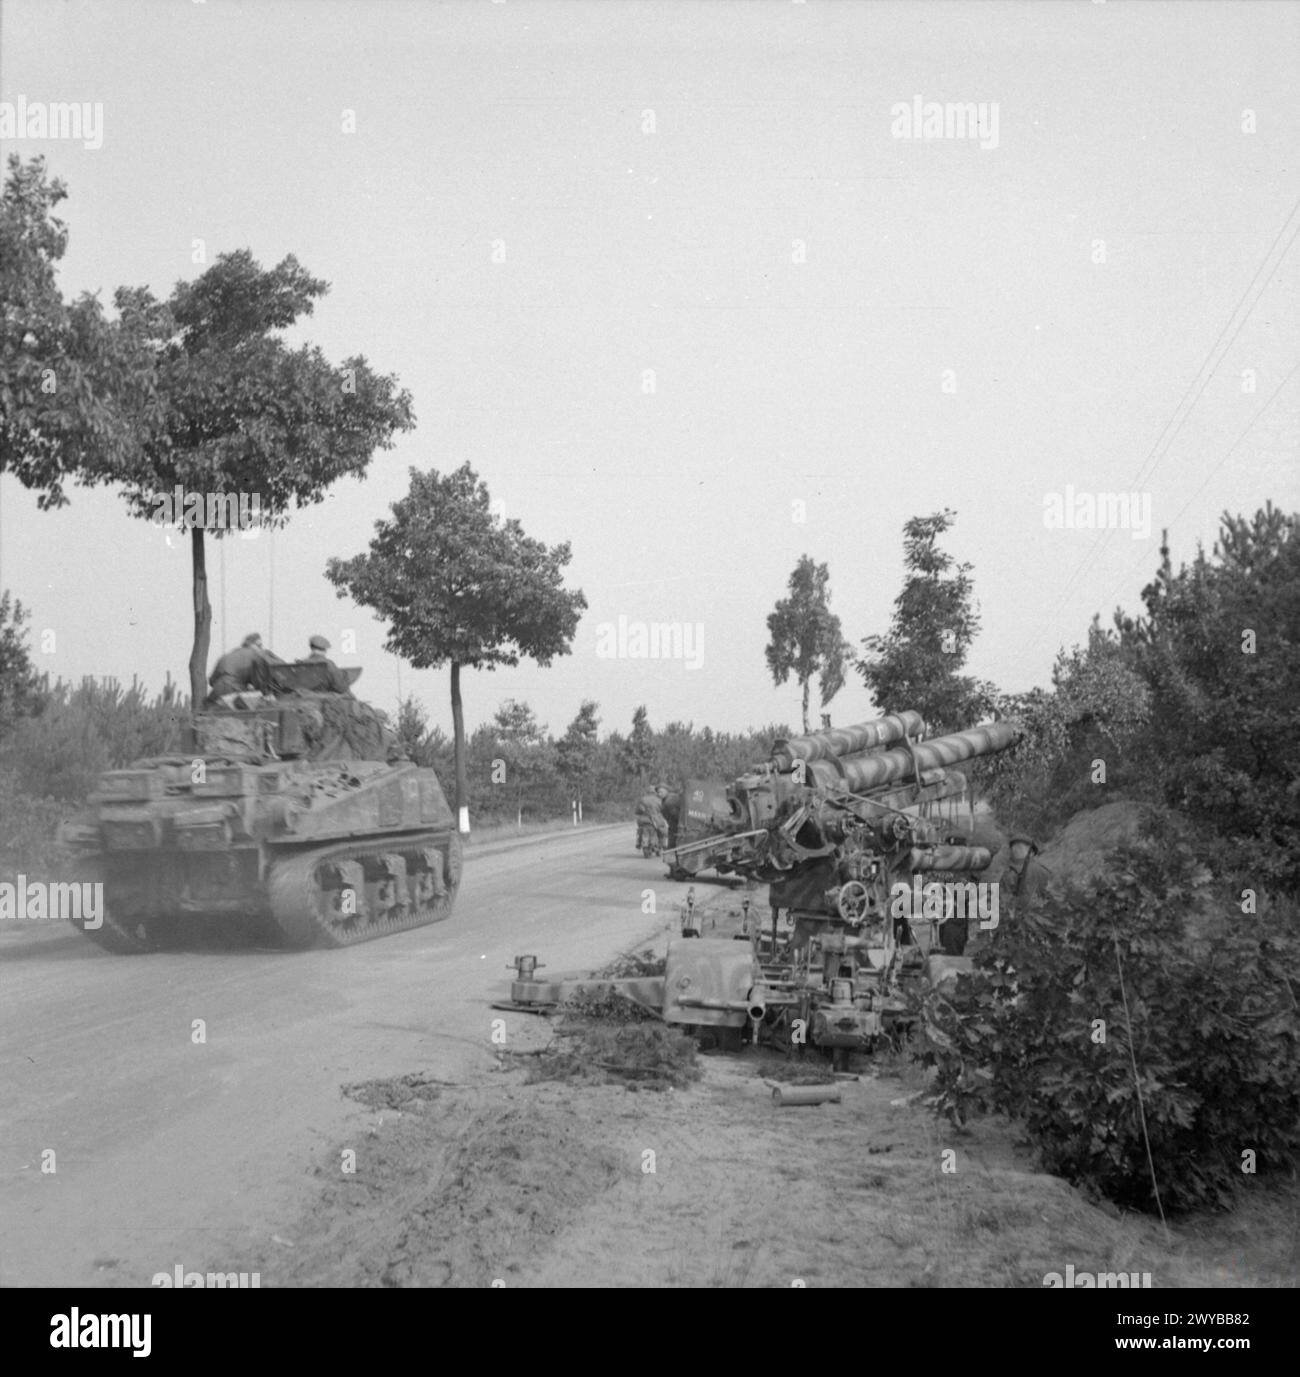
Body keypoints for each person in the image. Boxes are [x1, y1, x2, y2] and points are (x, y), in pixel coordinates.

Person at [207, 632, 277, 702]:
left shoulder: (228, 655)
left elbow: (211, 681)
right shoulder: (255, 655)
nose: (261, 649)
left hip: (216, 693)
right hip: (234, 692)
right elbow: (259, 682)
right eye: (260, 646)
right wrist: (267, 694)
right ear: (254, 645)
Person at [635, 785, 670, 851]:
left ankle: (638, 843)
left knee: (640, 830)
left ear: (647, 791)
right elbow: (663, 809)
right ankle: (663, 845)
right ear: (655, 792)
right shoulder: (659, 800)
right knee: (662, 831)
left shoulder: (642, 799)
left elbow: (637, 811)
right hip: (656, 820)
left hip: (644, 820)